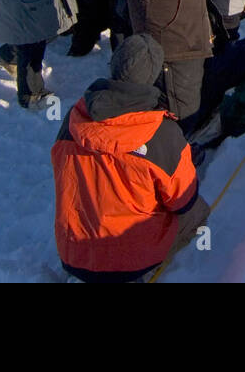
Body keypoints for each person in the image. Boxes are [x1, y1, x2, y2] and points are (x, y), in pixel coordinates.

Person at [52, 33, 209, 282]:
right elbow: (183, 201)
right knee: (198, 212)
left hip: (74, 254)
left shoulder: (75, 117)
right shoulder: (161, 132)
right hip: (130, 262)